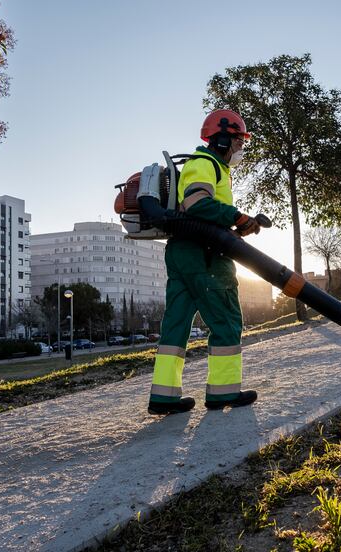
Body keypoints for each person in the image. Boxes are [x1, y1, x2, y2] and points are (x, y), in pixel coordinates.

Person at [147, 109, 261, 415]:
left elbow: (200, 212)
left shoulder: (210, 167)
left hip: (185, 252)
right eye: (238, 142)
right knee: (225, 319)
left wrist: (238, 226)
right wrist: (237, 217)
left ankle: (163, 397)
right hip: (205, 256)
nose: (239, 150)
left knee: (176, 325)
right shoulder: (205, 164)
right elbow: (198, 203)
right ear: (222, 138)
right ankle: (223, 392)